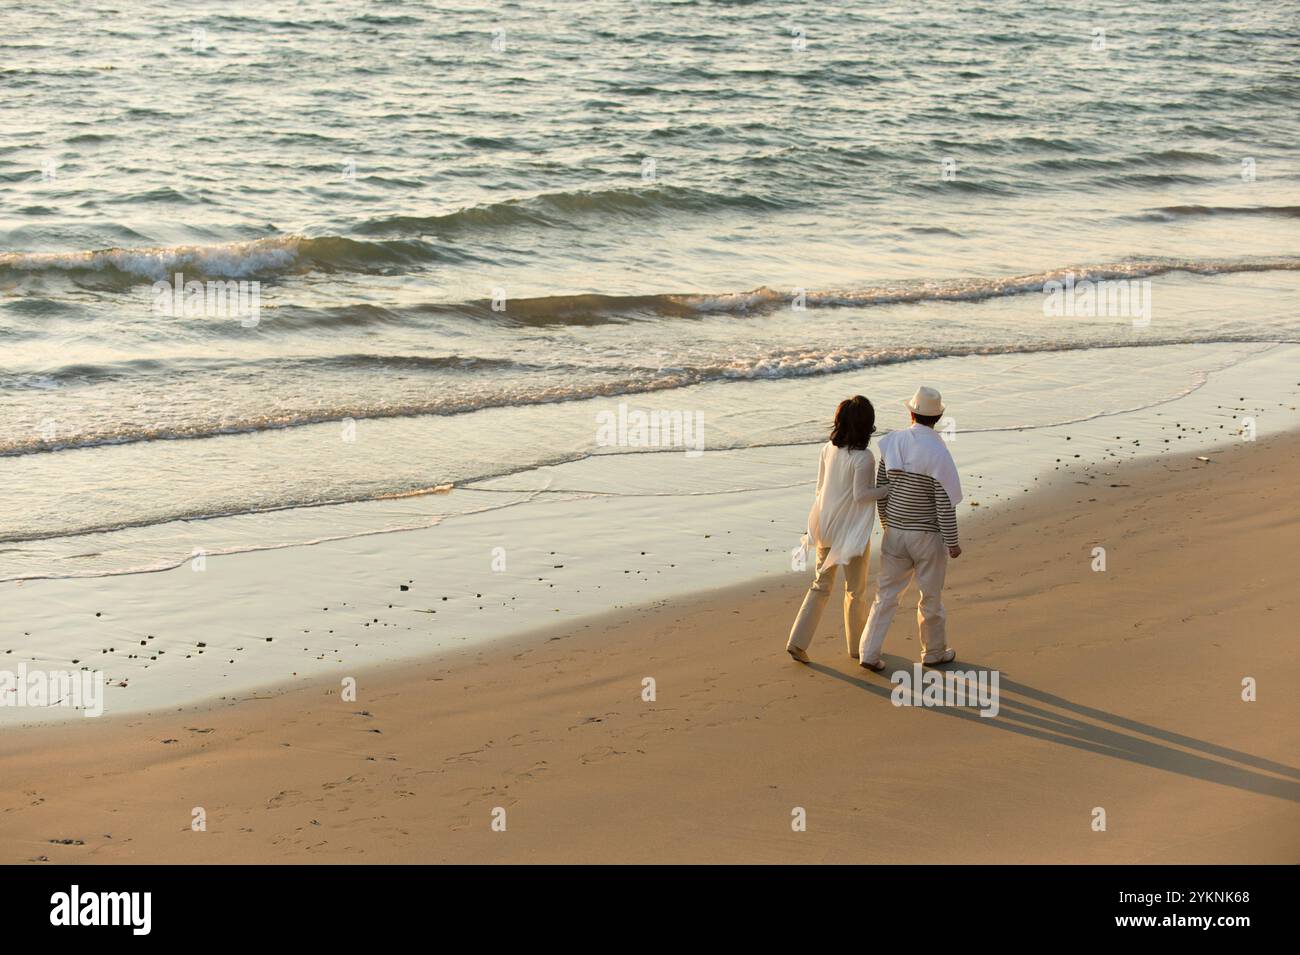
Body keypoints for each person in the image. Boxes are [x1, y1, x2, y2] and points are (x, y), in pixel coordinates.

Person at [858, 386, 962, 671]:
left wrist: (887, 523)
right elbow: (944, 503)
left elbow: (882, 490)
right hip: (927, 536)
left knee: (886, 595)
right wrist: (952, 542)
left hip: (895, 532)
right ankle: (933, 652)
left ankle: (868, 652)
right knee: (930, 597)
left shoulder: (892, 443)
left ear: (910, 412)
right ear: (938, 417)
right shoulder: (939, 452)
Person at [786, 396, 889, 663]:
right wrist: (890, 489)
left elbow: (819, 489)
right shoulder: (864, 458)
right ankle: (857, 648)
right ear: (867, 426)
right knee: (855, 590)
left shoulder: (826, 449)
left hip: (824, 525)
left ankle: (797, 641)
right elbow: (861, 495)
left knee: (821, 584)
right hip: (851, 531)